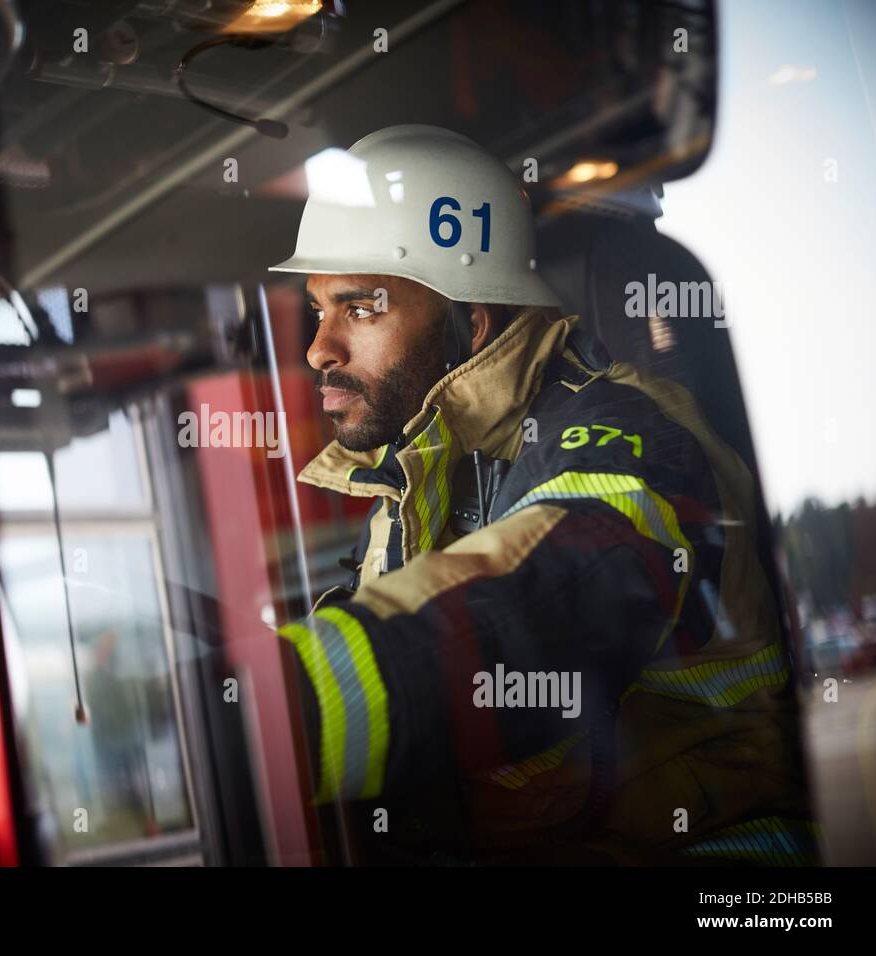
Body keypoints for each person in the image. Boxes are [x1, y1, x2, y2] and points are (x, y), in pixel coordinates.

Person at [269, 125, 816, 865]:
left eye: (361, 307)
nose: (318, 347)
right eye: (319, 309)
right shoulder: (417, 485)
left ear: (473, 320)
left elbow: (549, 601)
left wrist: (279, 713)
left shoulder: (635, 435)